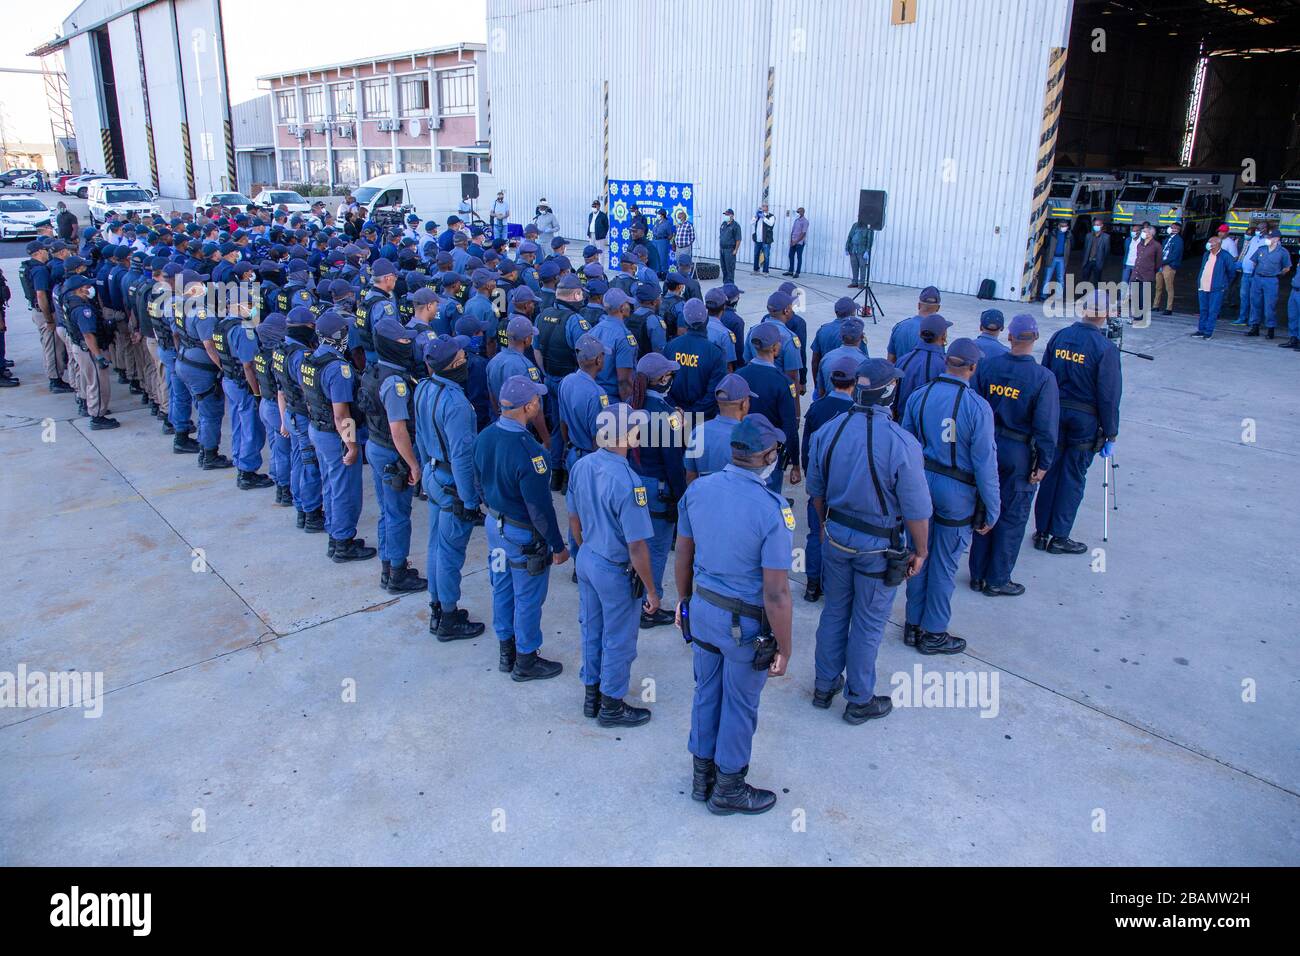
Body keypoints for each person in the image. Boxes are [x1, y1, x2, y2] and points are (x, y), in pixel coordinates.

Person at [675, 414, 793, 814]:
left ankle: (701, 776)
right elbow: (776, 592)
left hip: (705, 610)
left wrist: (683, 601)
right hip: (742, 624)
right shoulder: (772, 509)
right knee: (740, 703)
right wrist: (786, 647)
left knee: (706, 690)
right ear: (765, 456)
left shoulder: (699, 490)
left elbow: (684, 554)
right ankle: (729, 788)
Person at [808, 359, 930, 720]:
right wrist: (920, 551)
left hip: (836, 538)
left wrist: (827, 527)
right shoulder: (901, 443)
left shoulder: (827, 431)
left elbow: (816, 493)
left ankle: (824, 685)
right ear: (889, 393)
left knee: (834, 611)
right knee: (867, 622)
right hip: (879, 547)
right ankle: (859, 699)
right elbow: (916, 510)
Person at [900, 338, 1000, 654]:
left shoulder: (919, 396)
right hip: (956, 495)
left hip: (920, 487)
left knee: (918, 555)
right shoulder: (977, 406)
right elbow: (985, 462)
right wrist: (993, 508)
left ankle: (913, 625)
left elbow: (905, 447)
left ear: (947, 363)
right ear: (971, 368)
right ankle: (934, 633)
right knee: (944, 565)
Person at [566, 402, 660, 726]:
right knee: (619, 638)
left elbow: (573, 517)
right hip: (614, 568)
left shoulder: (582, 465)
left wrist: (585, 551)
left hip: (588, 557)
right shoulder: (629, 481)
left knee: (591, 628)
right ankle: (611, 706)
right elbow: (637, 547)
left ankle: (591, 695)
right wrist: (651, 590)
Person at [474, 375, 570, 680]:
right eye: (537, 401)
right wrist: (557, 545)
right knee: (528, 596)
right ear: (529, 406)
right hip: (522, 536)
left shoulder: (485, 436)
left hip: (495, 526)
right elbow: (540, 510)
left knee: (501, 586)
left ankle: (507, 651)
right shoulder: (532, 452)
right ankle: (526, 659)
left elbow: (477, 481)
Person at [968, 314, 1059, 596]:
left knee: (985, 506)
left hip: (988, 447)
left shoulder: (988, 367)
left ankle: (978, 573)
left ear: (1009, 337)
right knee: (1013, 515)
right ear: (1035, 339)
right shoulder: (1043, 378)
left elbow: (975, 407)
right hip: (1020, 452)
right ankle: (997, 579)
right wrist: (1044, 462)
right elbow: (1045, 425)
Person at [1033, 290, 1122, 555]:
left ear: (1083, 310)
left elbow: (1044, 376)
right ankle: (1059, 536)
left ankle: (1041, 531)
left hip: (1055, 414)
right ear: (1105, 314)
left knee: (1048, 472)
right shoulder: (1105, 349)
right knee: (1072, 477)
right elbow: (1108, 396)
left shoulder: (1060, 337)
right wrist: (1111, 432)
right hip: (1084, 420)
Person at [414, 333, 488, 640]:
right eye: (461, 359)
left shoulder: (422, 388)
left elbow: (419, 434)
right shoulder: (456, 402)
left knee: (435, 545)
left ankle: (437, 605)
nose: (466, 363)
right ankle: (447, 616)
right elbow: (462, 456)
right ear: (451, 365)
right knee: (450, 552)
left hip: (433, 473)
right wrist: (470, 501)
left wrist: (421, 473)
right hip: (451, 482)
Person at [301, 310, 375, 563]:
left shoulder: (311, 359)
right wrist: (351, 445)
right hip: (336, 436)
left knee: (331, 484)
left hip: (318, 430)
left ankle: (336, 535)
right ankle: (344, 543)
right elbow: (342, 413)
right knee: (345, 489)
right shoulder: (338, 368)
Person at [360, 318, 428, 593]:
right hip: (392, 453)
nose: (408, 343)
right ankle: (398, 574)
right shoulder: (395, 383)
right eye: (403, 340)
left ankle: (389, 565)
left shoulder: (376, 370)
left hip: (377, 446)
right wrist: (413, 464)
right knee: (399, 513)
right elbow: (398, 428)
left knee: (386, 510)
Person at [628, 352, 686, 627]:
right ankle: (650, 605)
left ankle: (636, 598)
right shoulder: (666, 415)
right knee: (658, 549)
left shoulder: (631, 405)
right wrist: (680, 495)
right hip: (658, 489)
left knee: (636, 544)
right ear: (661, 379)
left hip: (633, 483)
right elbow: (674, 462)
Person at [799, 353, 860, 602]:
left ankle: (812, 584)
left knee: (816, 533)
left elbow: (806, 448)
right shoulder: (856, 412)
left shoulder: (817, 408)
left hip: (819, 482)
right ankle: (835, 586)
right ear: (854, 383)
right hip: (845, 486)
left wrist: (807, 475)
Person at [211, 291, 274, 490]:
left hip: (230, 380)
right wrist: (257, 392)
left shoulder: (221, 324)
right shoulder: (243, 330)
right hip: (243, 383)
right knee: (251, 426)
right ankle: (247, 471)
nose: (252, 308)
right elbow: (249, 365)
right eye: (248, 304)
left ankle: (240, 460)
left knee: (238, 423)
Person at [174, 271, 234, 469]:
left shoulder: (179, 304)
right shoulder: (202, 312)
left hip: (184, 361)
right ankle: (209, 454)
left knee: (201, 408)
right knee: (211, 412)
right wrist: (224, 368)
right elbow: (210, 345)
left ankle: (203, 449)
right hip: (200, 369)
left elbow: (176, 334)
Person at [274, 307, 325, 533]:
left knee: (298, 461)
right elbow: (308, 390)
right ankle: (311, 513)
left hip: (290, 412)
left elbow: (281, 390)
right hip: (302, 415)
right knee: (309, 464)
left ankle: (301, 508)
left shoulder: (280, 348)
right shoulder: (299, 355)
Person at [736, 323, 799, 494]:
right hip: (769, 454)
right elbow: (789, 426)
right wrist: (795, 463)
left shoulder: (739, 376)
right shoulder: (782, 382)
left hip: (741, 449)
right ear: (775, 347)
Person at [61, 274, 119, 429]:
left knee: (92, 381)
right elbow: (88, 334)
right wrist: (98, 356)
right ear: (80, 290)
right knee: (98, 383)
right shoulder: (82, 309)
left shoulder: (71, 302)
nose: (91, 289)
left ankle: (96, 410)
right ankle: (97, 416)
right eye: (87, 287)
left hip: (81, 348)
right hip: (90, 350)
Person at [20, 241, 72, 394]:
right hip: (44, 313)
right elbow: (41, 294)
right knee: (53, 346)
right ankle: (55, 380)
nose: (47, 252)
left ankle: (55, 377)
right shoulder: (40, 270)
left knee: (50, 345)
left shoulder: (28, 266)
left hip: (38, 311)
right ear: (39, 252)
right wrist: (49, 318)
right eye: (44, 250)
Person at [252, 313, 293, 506]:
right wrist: (285, 421)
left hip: (266, 405)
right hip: (278, 409)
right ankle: (285, 490)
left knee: (276, 448)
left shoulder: (261, 353)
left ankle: (278, 482)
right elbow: (281, 392)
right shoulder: (277, 357)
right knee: (284, 451)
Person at [665, 299, 726, 417]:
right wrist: (693, 415)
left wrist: (677, 410)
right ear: (706, 319)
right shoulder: (715, 353)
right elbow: (714, 393)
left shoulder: (670, 347)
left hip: (674, 415)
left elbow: (663, 385)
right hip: (702, 418)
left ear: (685, 322)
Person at [685, 373, 752, 482]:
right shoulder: (748, 438)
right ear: (744, 404)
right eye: (749, 400)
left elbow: (690, 476)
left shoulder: (698, 431)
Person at [587, 288, 637, 400]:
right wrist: (628, 408)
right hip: (613, 399)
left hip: (594, 394)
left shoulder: (594, 330)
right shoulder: (624, 337)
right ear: (622, 308)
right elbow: (624, 381)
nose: (629, 306)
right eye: (627, 304)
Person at [895, 313, 951, 411]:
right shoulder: (946, 366)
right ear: (943, 335)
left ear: (920, 333)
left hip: (900, 421)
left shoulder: (903, 360)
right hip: (928, 423)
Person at [1245, 229, 1292, 339]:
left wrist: (1278, 274)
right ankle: (1254, 327)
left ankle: (1270, 329)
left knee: (1270, 305)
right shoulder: (1262, 249)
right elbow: (1254, 262)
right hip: (1257, 278)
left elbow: (1287, 268)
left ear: (1277, 239)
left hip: (1271, 281)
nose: (1267, 239)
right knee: (1255, 303)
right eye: (1267, 237)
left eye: (1270, 237)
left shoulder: (1283, 252)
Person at [1192, 234, 1239, 339]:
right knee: (1203, 309)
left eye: (1211, 242)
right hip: (1203, 286)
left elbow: (1231, 272)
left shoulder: (1225, 256)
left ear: (1217, 244)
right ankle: (1201, 330)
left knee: (1212, 311)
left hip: (1216, 288)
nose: (1208, 244)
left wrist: (1223, 283)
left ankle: (1208, 332)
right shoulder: (1206, 254)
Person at [814, 317, 868, 399]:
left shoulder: (827, 358)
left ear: (840, 336)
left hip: (830, 406)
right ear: (862, 336)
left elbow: (821, 391)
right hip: (854, 410)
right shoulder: (865, 362)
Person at [886, 286, 941, 362]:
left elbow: (890, 360)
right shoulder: (937, 332)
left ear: (918, 305)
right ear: (938, 308)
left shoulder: (899, 326)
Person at [1233, 223, 1268, 326]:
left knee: (1255, 298)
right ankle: (1242, 318)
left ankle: (1254, 321)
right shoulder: (1253, 239)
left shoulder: (1267, 241)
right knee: (1244, 297)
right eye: (1257, 228)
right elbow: (1247, 253)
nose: (1257, 230)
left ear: (1265, 229)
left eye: (1260, 228)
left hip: (1255, 274)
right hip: (1245, 272)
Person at [1130, 223, 1160, 319]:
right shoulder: (1140, 244)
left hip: (1147, 274)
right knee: (1136, 295)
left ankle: (1142, 314)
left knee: (1143, 295)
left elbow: (1158, 262)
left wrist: (1152, 271)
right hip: (1137, 272)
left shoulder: (1156, 246)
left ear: (1150, 233)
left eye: (1144, 231)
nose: (1142, 233)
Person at [1040, 220, 1071, 300]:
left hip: (1062, 259)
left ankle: (1058, 297)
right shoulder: (1052, 234)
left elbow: (1072, 246)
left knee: (1060, 279)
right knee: (1047, 278)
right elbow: (1046, 245)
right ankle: (1043, 296)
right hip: (1052, 258)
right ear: (1058, 226)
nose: (1064, 228)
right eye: (1062, 226)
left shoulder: (1068, 236)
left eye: (1065, 226)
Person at [1080, 218, 1109, 283]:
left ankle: (1096, 293)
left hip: (1098, 262)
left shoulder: (1106, 237)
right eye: (1095, 225)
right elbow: (1085, 249)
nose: (1096, 226)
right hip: (1088, 261)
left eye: (1097, 225)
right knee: (1085, 280)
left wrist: (1102, 262)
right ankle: (1084, 292)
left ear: (1101, 225)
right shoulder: (1088, 236)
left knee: (1097, 281)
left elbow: (1106, 252)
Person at [845, 220, 871, 288]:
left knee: (862, 267)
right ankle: (854, 282)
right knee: (854, 266)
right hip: (853, 249)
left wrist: (867, 251)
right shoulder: (855, 225)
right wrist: (847, 248)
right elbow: (850, 236)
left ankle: (862, 283)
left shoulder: (868, 227)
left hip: (862, 250)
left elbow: (869, 240)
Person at [783, 206, 808, 278]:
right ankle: (790, 271)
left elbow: (803, 233)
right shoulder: (796, 220)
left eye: (799, 211)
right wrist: (791, 241)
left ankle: (797, 272)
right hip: (793, 241)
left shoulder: (805, 221)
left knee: (799, 257)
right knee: (791, 256)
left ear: (803, 212)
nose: (798, 213)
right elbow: (792, 231)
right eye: (797, 212)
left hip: (799, 243)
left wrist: (796, 241)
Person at [718, 209, 741, 284]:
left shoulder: (736, 226)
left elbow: (738, 239)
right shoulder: (723, 224)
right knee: (724, 268)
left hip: (730, 250)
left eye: (727, 215)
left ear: (732, 215)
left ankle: (731, 287)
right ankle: (725, 285)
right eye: (725, 215)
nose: (726, 216)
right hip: (722, 250)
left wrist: (735, 250)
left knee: (729, 269)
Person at [751, 204, 775, 274]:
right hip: (758, 240)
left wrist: (763, 217)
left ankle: (765, 271)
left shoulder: (771, 216)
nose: (762, 208)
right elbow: (751, 223)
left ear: (767, 208)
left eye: (763, 206)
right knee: (756, 255)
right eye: (761, 207)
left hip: (766, 240)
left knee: (766, 256)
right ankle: (756, 270)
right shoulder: (757, 216)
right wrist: (756, 216)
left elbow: (771, 224)